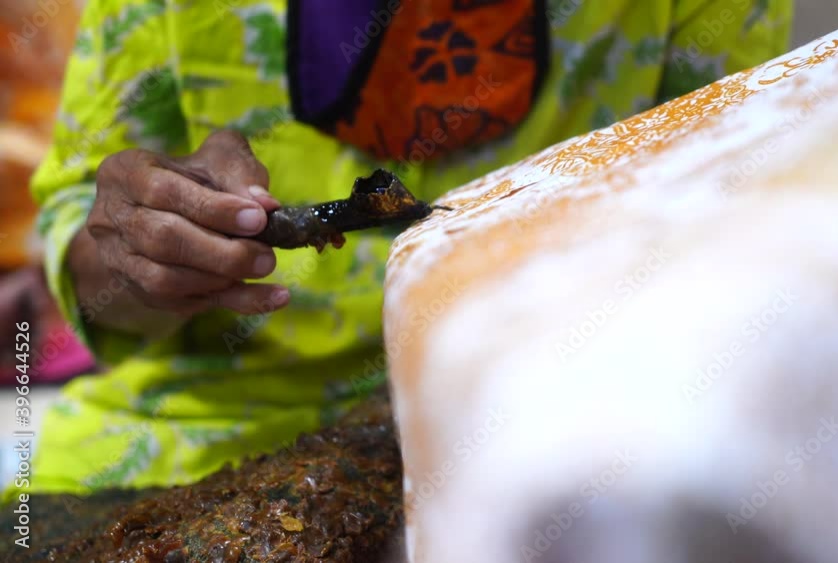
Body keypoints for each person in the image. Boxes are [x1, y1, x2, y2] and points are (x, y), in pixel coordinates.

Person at [9, 0, 791, 498]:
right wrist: (136, 253)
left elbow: (738, 209)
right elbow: (87, 234)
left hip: (554, 424)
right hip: (199, 439)